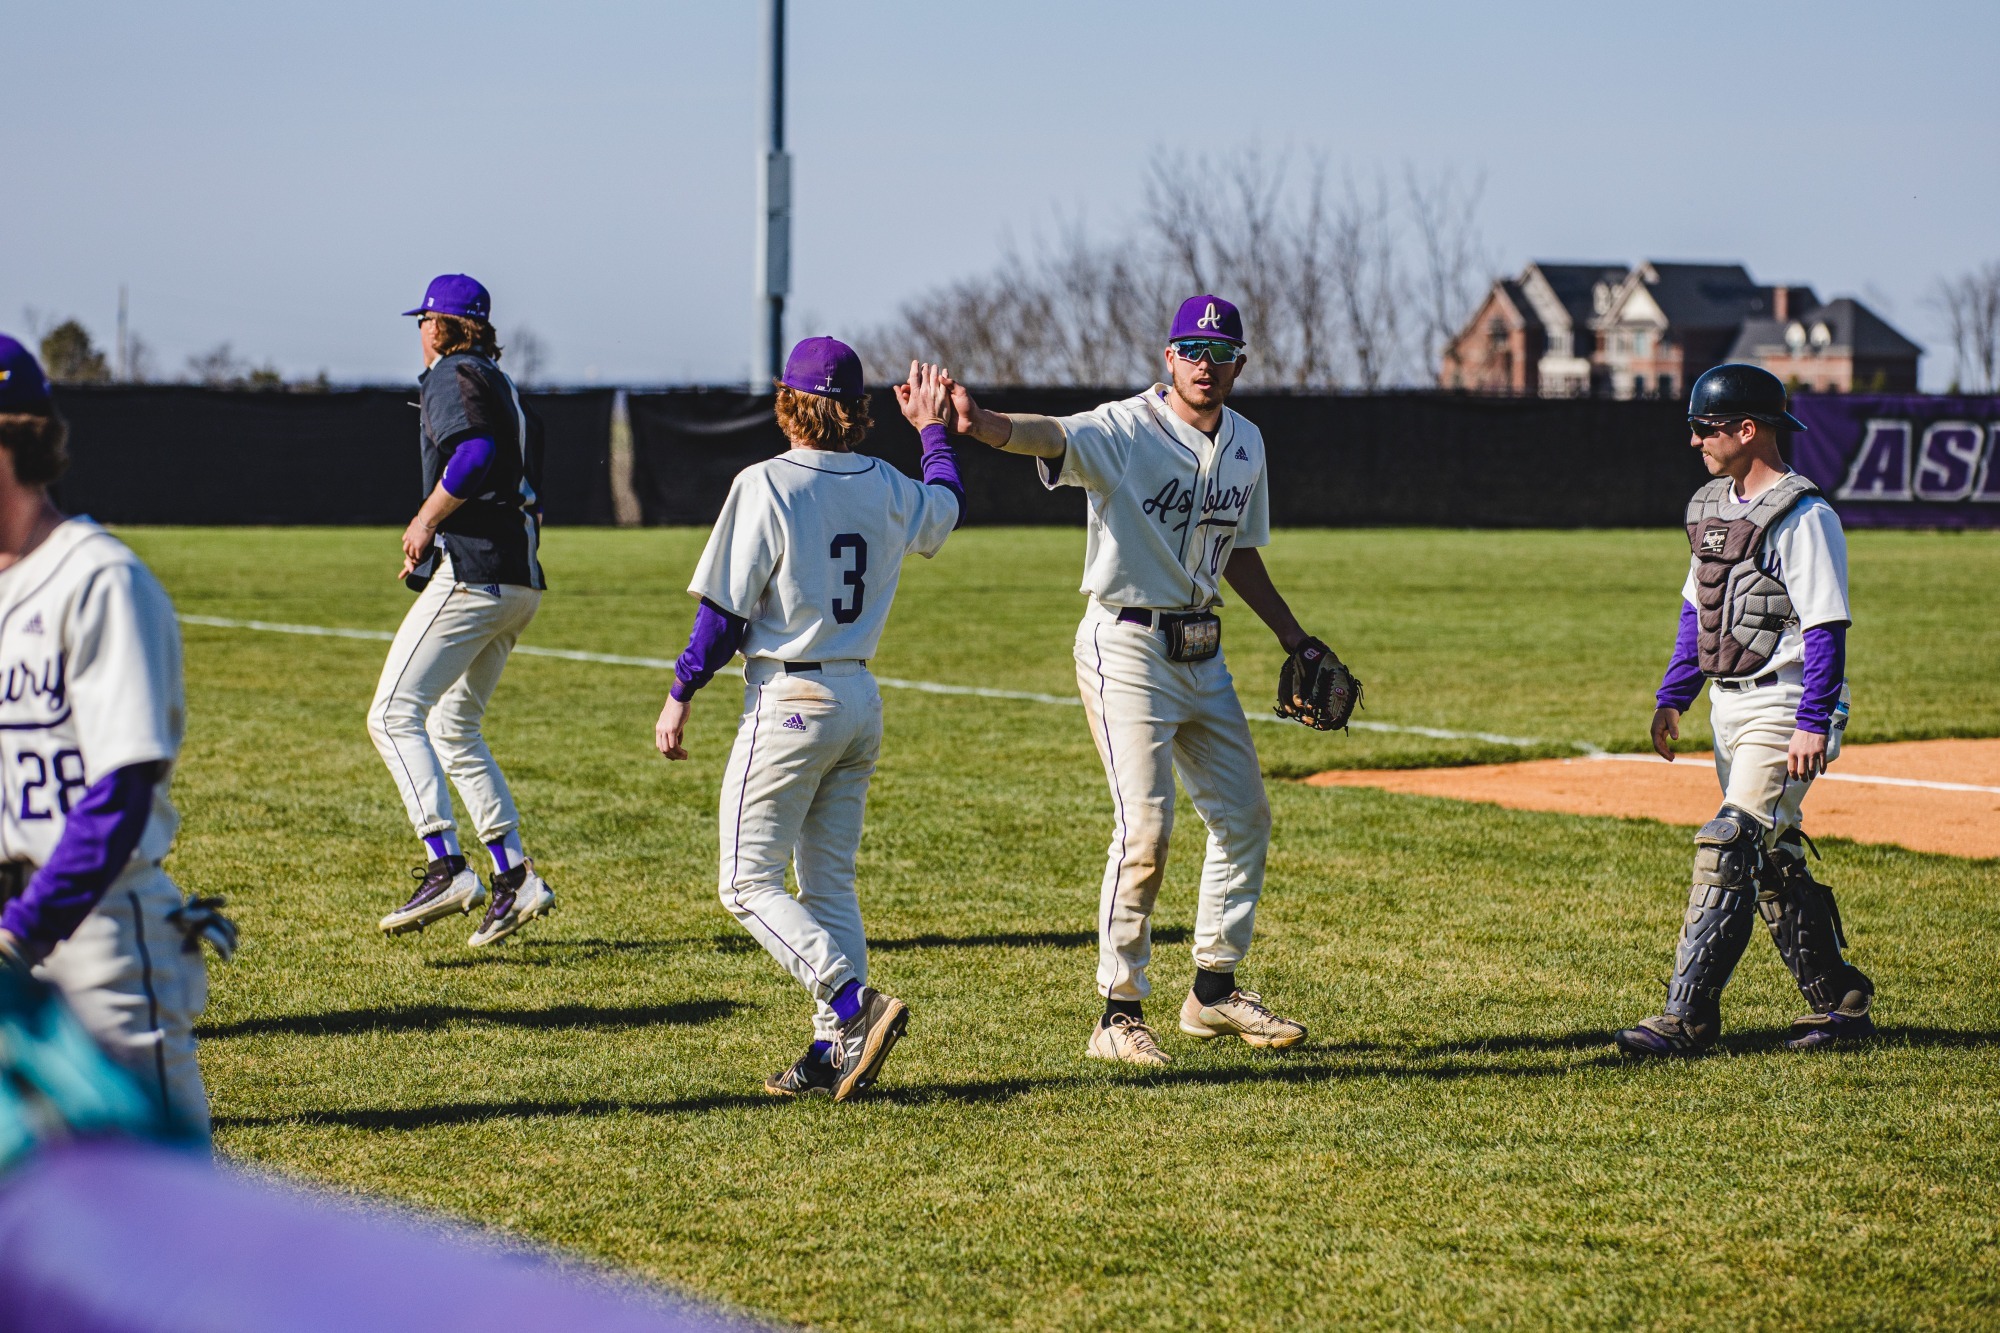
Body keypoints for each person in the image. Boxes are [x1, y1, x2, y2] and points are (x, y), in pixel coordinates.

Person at [944, 295, 1346, 1066]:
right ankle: (1116, 1012)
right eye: (1190, 347)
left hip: (1203, 649)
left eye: (1218, 350)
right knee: (1147, 831)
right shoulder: (1126, 429)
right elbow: (1051, 436)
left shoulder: (1247, 442)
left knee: (1246, 816)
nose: (1204, 361)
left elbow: (1236, 549)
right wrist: (979, 421)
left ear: (1239, 364)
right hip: (1124, 645)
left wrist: (1293, 635)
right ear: (1168, 357)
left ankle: (1214, 991)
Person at [656, 340, 964, 1101]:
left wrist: (681, 689)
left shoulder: (765, 482)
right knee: (826, 884)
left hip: (790, 699)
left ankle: (854, 1005)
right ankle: (832, 1050)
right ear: (860, 410)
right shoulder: (889, 483)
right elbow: (947, 509)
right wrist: (930, 430)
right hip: (859, 697)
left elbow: (724, 612)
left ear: (785, 401)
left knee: (743, 881)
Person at [0, 333, 233, 1136]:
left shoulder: (98, 579)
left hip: (97, 933)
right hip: (14, 918)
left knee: (162, 1207)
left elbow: (123, 786)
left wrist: (24, 927)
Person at [1616, 363, 1872, 1058]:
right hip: (1729, 709)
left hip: (1785, 702)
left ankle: (1686, 1018)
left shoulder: (1804, 516)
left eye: (1704, 426)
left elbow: (1824, 627)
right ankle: (1841, 999)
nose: (1695, 439)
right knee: (1771, 855)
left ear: (1746, 429)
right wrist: (1675, 695)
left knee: (1731, 839)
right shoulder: (1710, 508)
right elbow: (1696, 609)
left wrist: (1813, 720)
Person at [367, 274, 554, 947]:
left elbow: (475, 456)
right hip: (519, 578)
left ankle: (445, 864)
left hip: (476, 572)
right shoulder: (499, 380)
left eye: (424, 320)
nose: (420, 331)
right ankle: (514, 877)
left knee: (391, 712)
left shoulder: (451, 372)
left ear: (443, 326)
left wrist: (424, 520)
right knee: (454, 725)